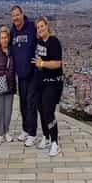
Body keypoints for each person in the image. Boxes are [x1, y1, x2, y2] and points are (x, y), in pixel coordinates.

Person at [31, 17, 63, 157]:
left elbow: (57, 63)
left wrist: (42, 64)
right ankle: (46, 136)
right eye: (38, 27)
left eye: (42, 26)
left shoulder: (54, 42)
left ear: (47, 26)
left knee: (48, 111)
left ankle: (55, 142)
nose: (40, 29)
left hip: (52, 82)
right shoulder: (38, 43)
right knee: (41, 110)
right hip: (40, 82)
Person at [10, 5, 40, 147]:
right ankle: (25, 130)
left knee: (31, 103)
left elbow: (41, 41)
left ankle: (33, 134)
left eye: (17, 14)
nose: (15, 17)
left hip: (33, 74)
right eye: (13, 15)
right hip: (20, 75)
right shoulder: (12, 31)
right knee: (23, 104)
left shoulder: (31, 27)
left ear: (22, 14)